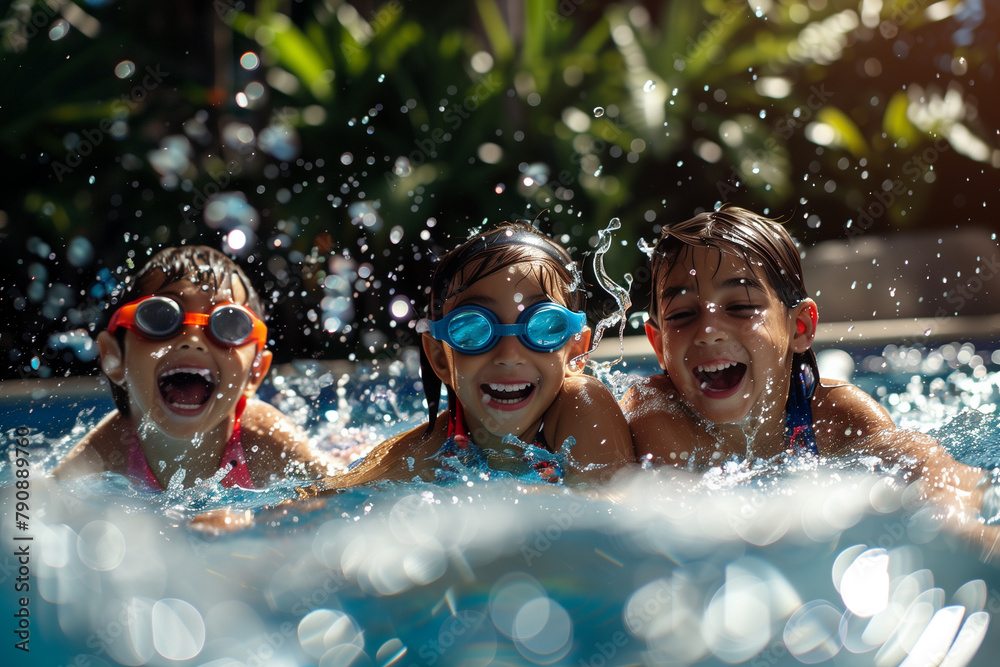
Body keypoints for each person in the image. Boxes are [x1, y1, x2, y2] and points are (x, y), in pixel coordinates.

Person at [622, 206, 993, 533]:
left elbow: (925, 460)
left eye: (740, 306)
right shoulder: (656, 412)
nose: (707, 333)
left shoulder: (836, 415)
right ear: (659, 346)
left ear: (799, 327)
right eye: (682, 314)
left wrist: (952, 521)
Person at [307, 223, 635, 491]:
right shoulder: (419, 455)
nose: (509, 355)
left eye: (543, 326)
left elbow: (611, 515)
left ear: (576, 350)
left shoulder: (581, 403)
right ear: (439, 357)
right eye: (473, 329)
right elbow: (315, 501)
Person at [55, 245, 328, 490]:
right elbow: (40, 503)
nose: (193, 340)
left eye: (229, 324)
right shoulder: (114, 443)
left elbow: (340, 488)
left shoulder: (262, 438)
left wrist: (267, 518)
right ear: (114, 357)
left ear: (255, 371)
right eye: (160, 317)